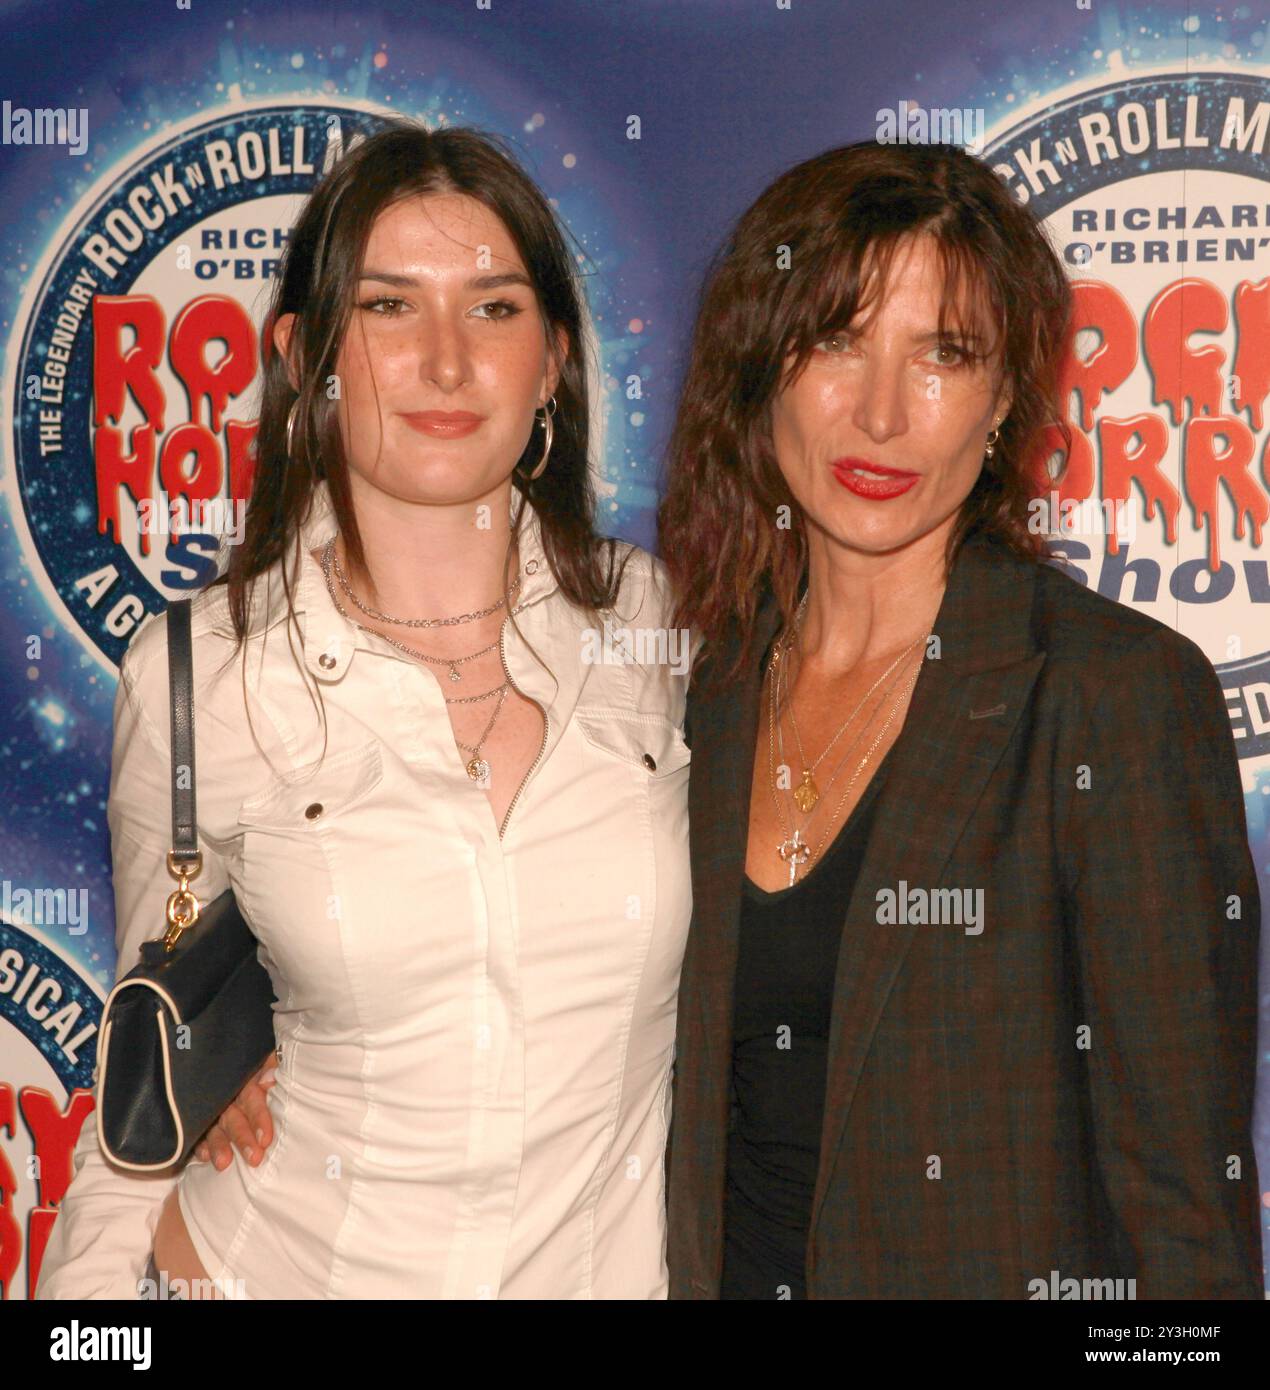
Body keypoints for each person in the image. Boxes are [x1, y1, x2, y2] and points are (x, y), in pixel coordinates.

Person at [35, 119, 692, 1300]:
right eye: (390, 306)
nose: (446, 362)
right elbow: (143, 1098)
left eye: (494, 308)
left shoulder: (665, 634)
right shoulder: (198, 677)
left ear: (552, 359)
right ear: (308, 353)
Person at [656, 140, 1263, 1299]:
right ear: (756, 373)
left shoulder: (1109, 696)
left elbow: (1186, 1213)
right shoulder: (704, 692)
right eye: (835, 340)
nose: (881, 412)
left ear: (1001, 403)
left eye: (944, 354)